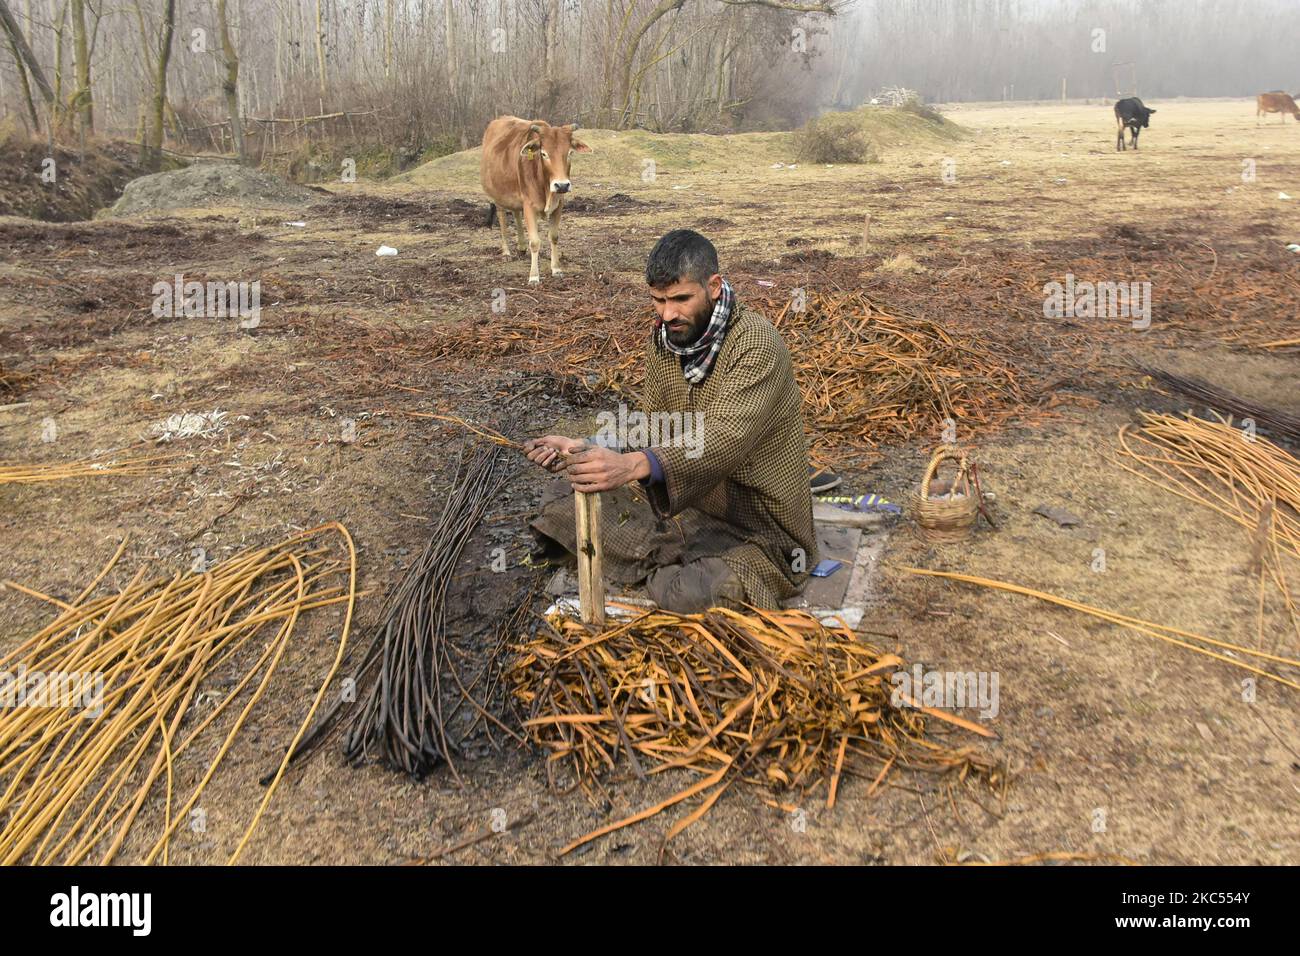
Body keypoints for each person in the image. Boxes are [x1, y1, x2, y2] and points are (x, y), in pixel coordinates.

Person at [525, 229, 818, 613]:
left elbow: (725, 436)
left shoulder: (756, 344)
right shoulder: (666, 341)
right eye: (658, 300)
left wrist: (633, 464)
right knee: (564, 494)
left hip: (757, 522)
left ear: (713, 287)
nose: (668, 314)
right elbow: (653, 424)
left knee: (699, 591)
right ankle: (661, 559)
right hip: (691, 502)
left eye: (681, 299)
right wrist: (589, 448)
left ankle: (654, 565)